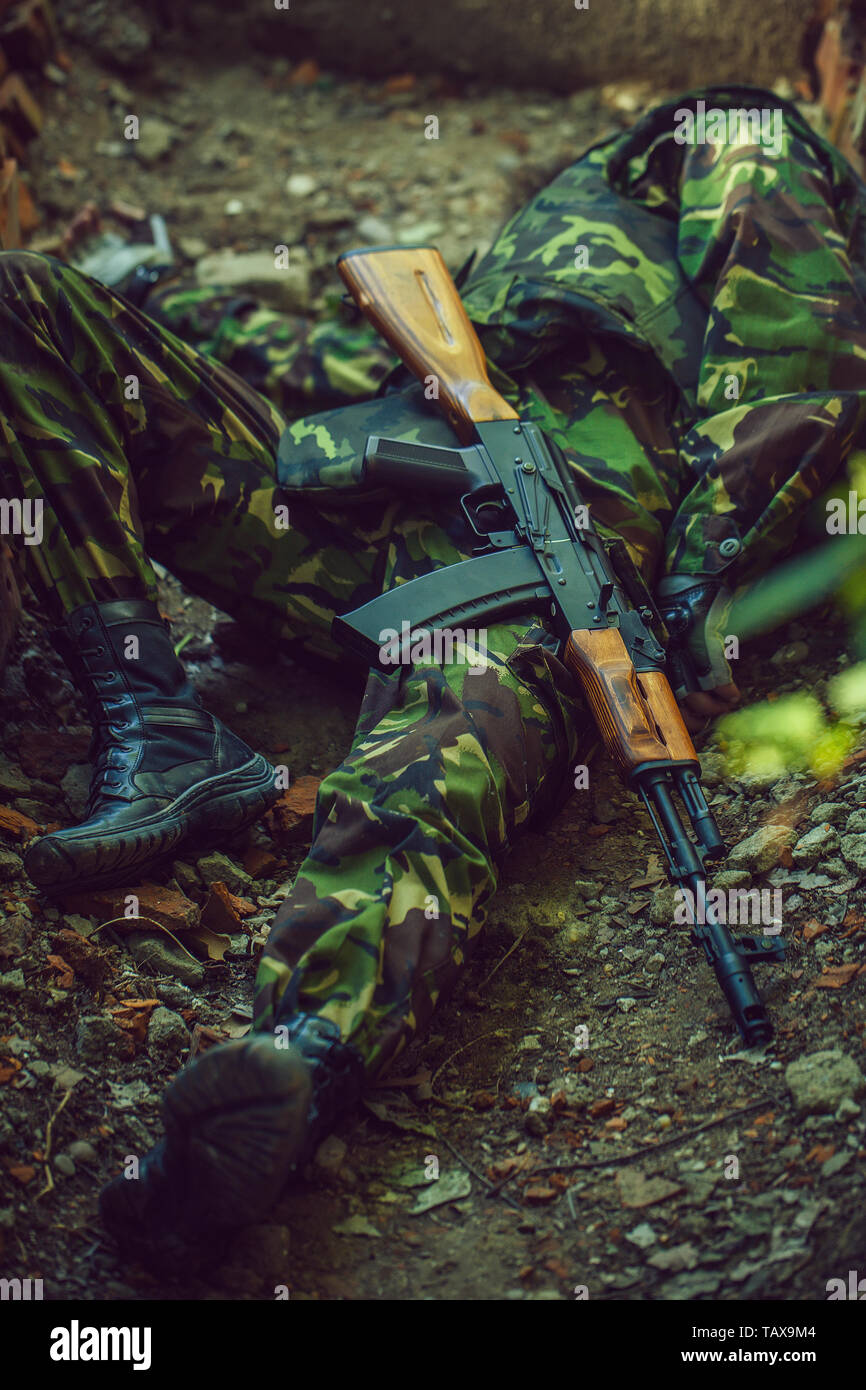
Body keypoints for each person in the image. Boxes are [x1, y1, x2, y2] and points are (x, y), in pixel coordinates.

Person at [1, 85, 863, 1264]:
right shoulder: (742, 137)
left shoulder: (675, 218)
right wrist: (699, 587)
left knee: (439, 766)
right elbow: (783, 355)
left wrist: (675, 595)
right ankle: (158, 715)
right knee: (28, 302)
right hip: (424, 498)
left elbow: (793, 369)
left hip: (540, 568)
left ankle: (300, 1057)